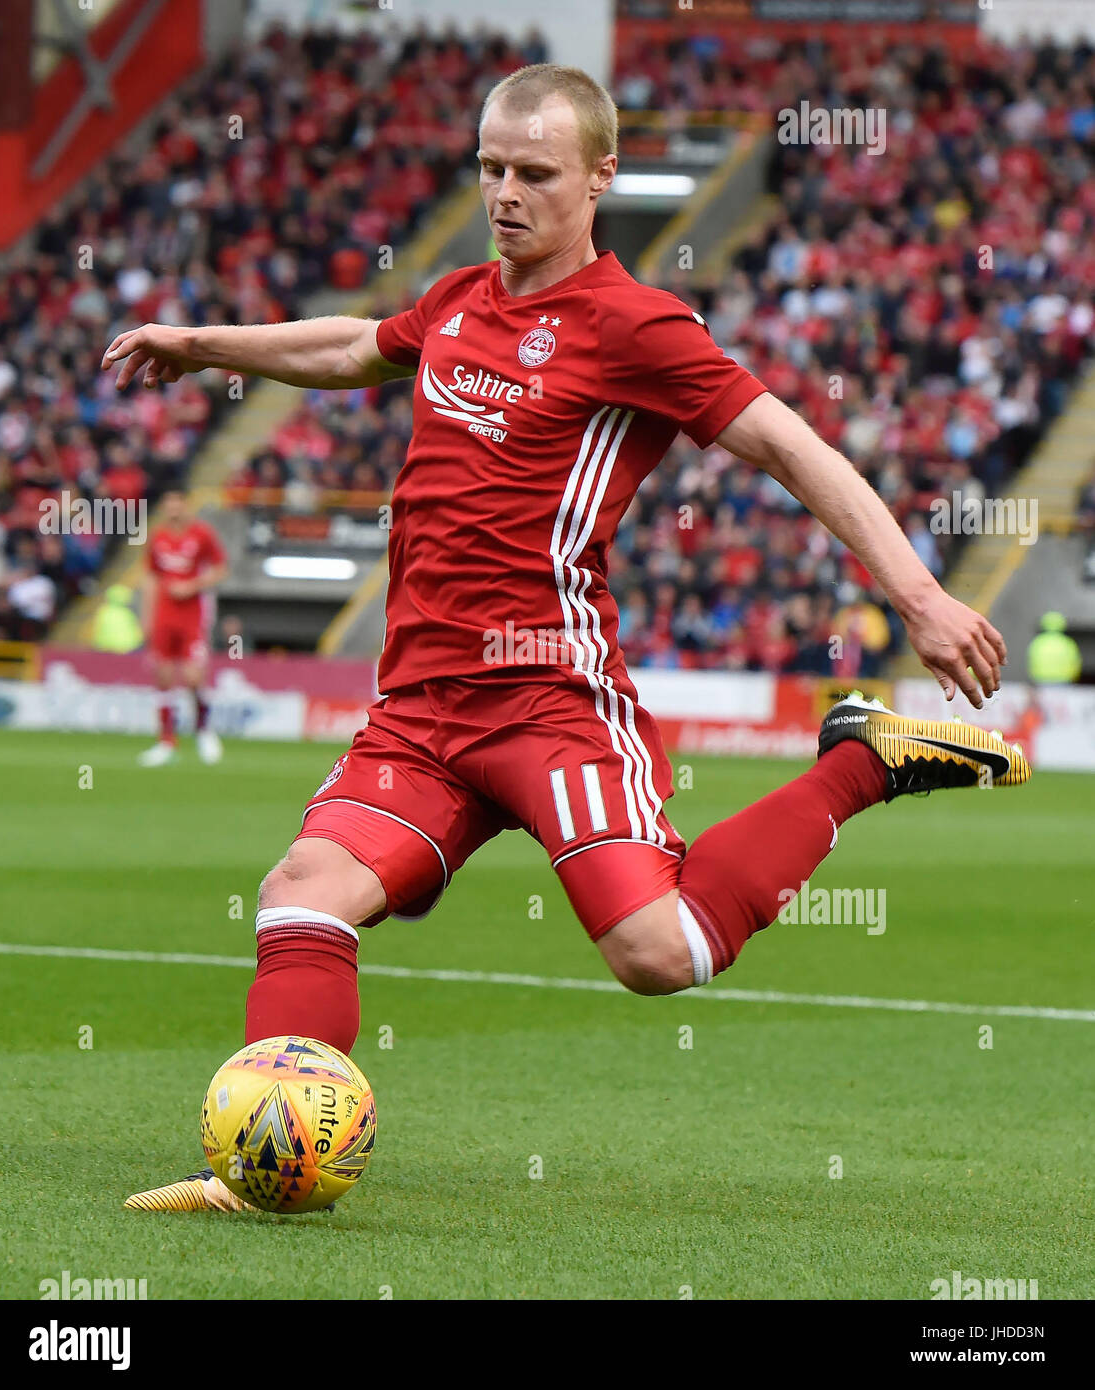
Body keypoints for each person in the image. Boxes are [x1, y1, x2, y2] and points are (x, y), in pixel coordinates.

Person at [105, 64, 1028, 1214]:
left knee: (663, 953)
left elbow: (797, 448)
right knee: (299, 893)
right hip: (422, 714)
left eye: (533, 173)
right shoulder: (456, 301)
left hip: (551, 702)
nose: (504, 192)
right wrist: (204, 342)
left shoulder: (635, 325)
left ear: (601, 176)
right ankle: (258, 1171)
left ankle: (863, 761)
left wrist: (920, 597)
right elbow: (353, 350)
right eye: (490, 167)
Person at [137, 490, 228, 767]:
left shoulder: (202, 534)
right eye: (169, 503)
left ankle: (203, 730)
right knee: (163, 676)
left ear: (185, 505)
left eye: (178, 502)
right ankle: (166, 741)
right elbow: (152, 578)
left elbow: (220, 568)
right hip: (164, 615)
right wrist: (146, 617)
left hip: (192, 616)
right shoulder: (158, 537)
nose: (173, 508)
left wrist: (192, 586)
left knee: (192, 677)